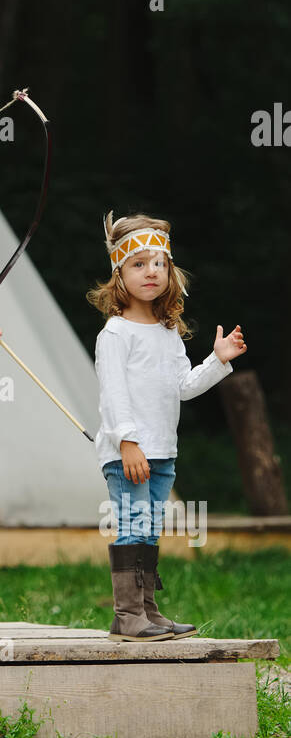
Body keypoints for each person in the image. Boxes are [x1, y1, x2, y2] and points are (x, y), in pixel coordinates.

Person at [88, 212, 247, 641]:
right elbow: (114, 393)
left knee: (149, 528)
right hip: (130, 452)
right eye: (139, 263)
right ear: (119, 274)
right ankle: (127, 615)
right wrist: (128, 442)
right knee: (133, 524)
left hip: (162, 451)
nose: (151, 272)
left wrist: (218, 360)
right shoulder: (116, 333)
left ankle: (147, 612)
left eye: (159, 263)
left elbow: (184, 387)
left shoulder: (167, 331)